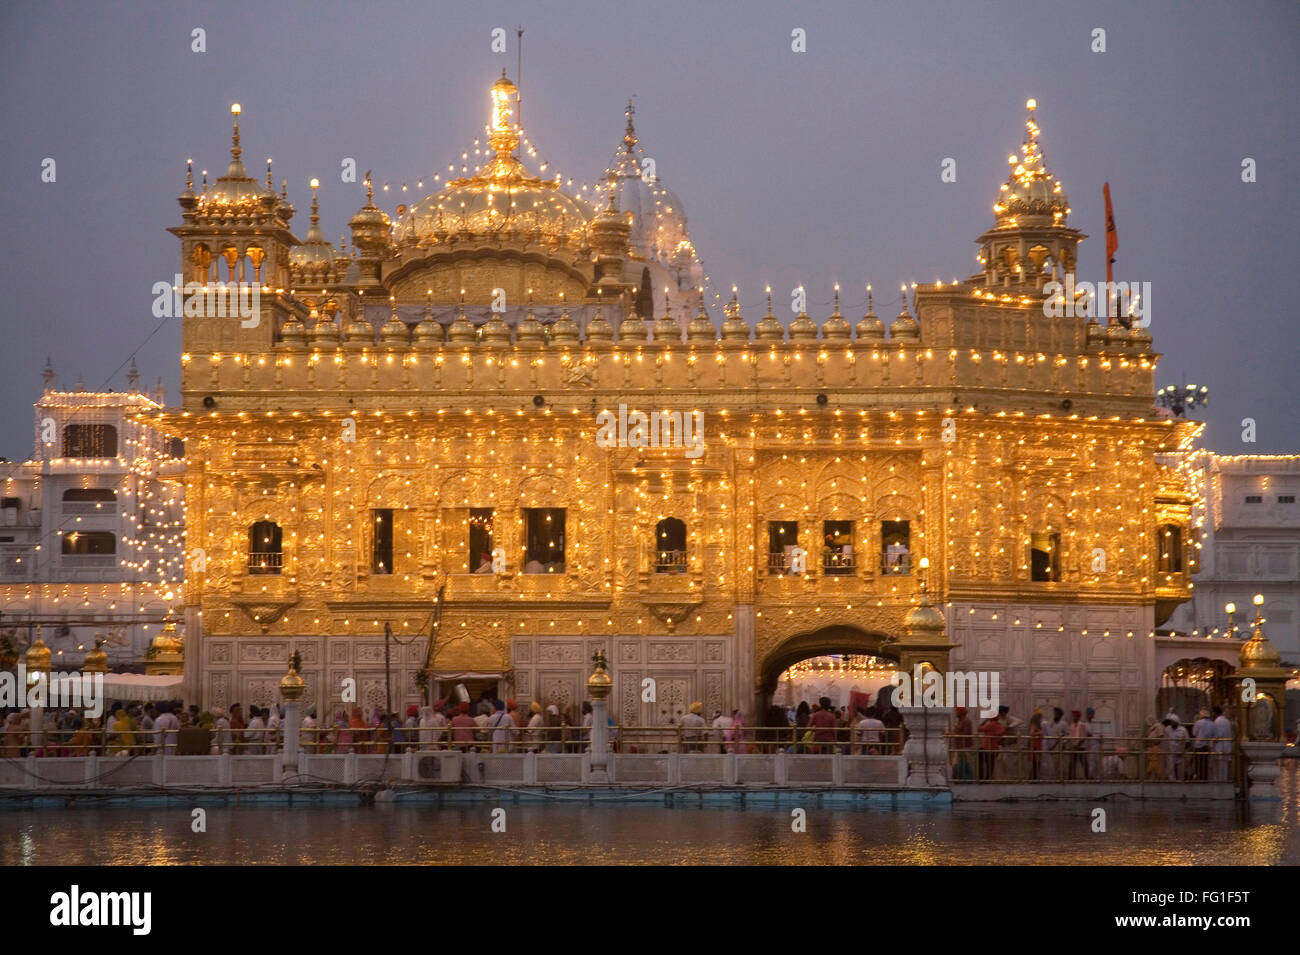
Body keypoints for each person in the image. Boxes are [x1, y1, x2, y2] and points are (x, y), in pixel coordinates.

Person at [977, 711, 1005, 779]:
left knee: (981, 763)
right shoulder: (999, 726)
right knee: (991, 765)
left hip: (986, 748)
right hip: (995, 748)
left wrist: (985, 720)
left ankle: (981, 779)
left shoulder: (990, 725)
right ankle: (988, 779)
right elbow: (1002, 733)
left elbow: (979, 729)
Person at [1042, 707, 1068, 779]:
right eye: (1055, 713)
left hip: (1059, 747)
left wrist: (1062, 743)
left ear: (1060, 715)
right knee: (1051, 765)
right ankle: (1052, 779)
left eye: (1057, 713)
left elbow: (1067, 736)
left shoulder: (1064, 724)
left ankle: (1060, 779)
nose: (1055, 715)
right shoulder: (1050, 723)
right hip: (1050, 748)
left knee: (1059, 765)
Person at [1191, 708, 1215, 781]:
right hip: (1206, 745)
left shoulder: (1198, 723)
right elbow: (1213, 734)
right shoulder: (1212, 723)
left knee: (1198, 763)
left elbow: (1194, 733)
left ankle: (1198, 777)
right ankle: (1205, 778)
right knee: (1205, 763)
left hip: (1198, 745)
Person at [1211, 705, 1234, 782]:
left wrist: (1212, 740)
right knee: (1225, 767)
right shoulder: (1227, 721)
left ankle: (1220, 782)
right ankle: (1224, 781)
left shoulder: (1217, 721)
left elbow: (1218, 735)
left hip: (1220, 746)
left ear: (1215, 713)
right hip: (1227, 746)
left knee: (1219, 767)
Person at [1162, 715, 1188, 780]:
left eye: (1173, 722)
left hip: (1180, 752)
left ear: (1177, 722)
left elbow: (1188, 742)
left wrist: (1182, 750)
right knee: (1170, 769)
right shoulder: (1167, 729)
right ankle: (1172, 782)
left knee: (1180, 769)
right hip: (1170, 752)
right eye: (1171, 722)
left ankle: (1180, 782)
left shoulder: (1183, 730)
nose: (1171, 723)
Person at [1027, 710, 1044, 780]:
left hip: (1038, 745)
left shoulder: (1038, 725)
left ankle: (1034, 778)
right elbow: (1031, 734)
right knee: (1035, 763)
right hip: (1035, 746)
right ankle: (1033, 778)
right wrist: (1039, 733)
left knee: (1037, 763)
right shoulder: (1034, 724)